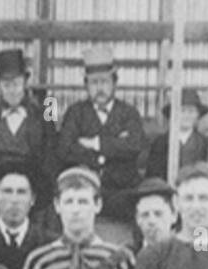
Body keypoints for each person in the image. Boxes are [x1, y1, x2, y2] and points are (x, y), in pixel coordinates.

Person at [56, 46, 146, 221]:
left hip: (122, 190)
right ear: (86, 86)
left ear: (114, 83)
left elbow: (134, 146)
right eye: (94, 83)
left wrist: (95, 144)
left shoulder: (128, 113)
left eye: (104, 82)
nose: (100, 88)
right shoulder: (75, 113)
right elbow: (64, 150)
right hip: (85, 189)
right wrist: (115, 147)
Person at [0, 48, 59, 221]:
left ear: (25, 83)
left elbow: (51, 156)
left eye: (17, 84)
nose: (12, 90)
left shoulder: (44, 115)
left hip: (33, 186)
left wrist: (41, 189)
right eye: (6, 85)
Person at [146, 88, 208, 179]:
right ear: (173, 114)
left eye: (191, 111)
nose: (186, 116)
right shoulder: (161, 142)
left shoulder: (204, 142)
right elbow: (153, 174)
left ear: (197, 115)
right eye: (182, 111)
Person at [130, 177, 177, 251]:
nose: (152, 221)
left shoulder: (189, 258)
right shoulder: (128, 258)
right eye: (145, 215)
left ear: (174, 216)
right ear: (137, 219)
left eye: (158, 214)